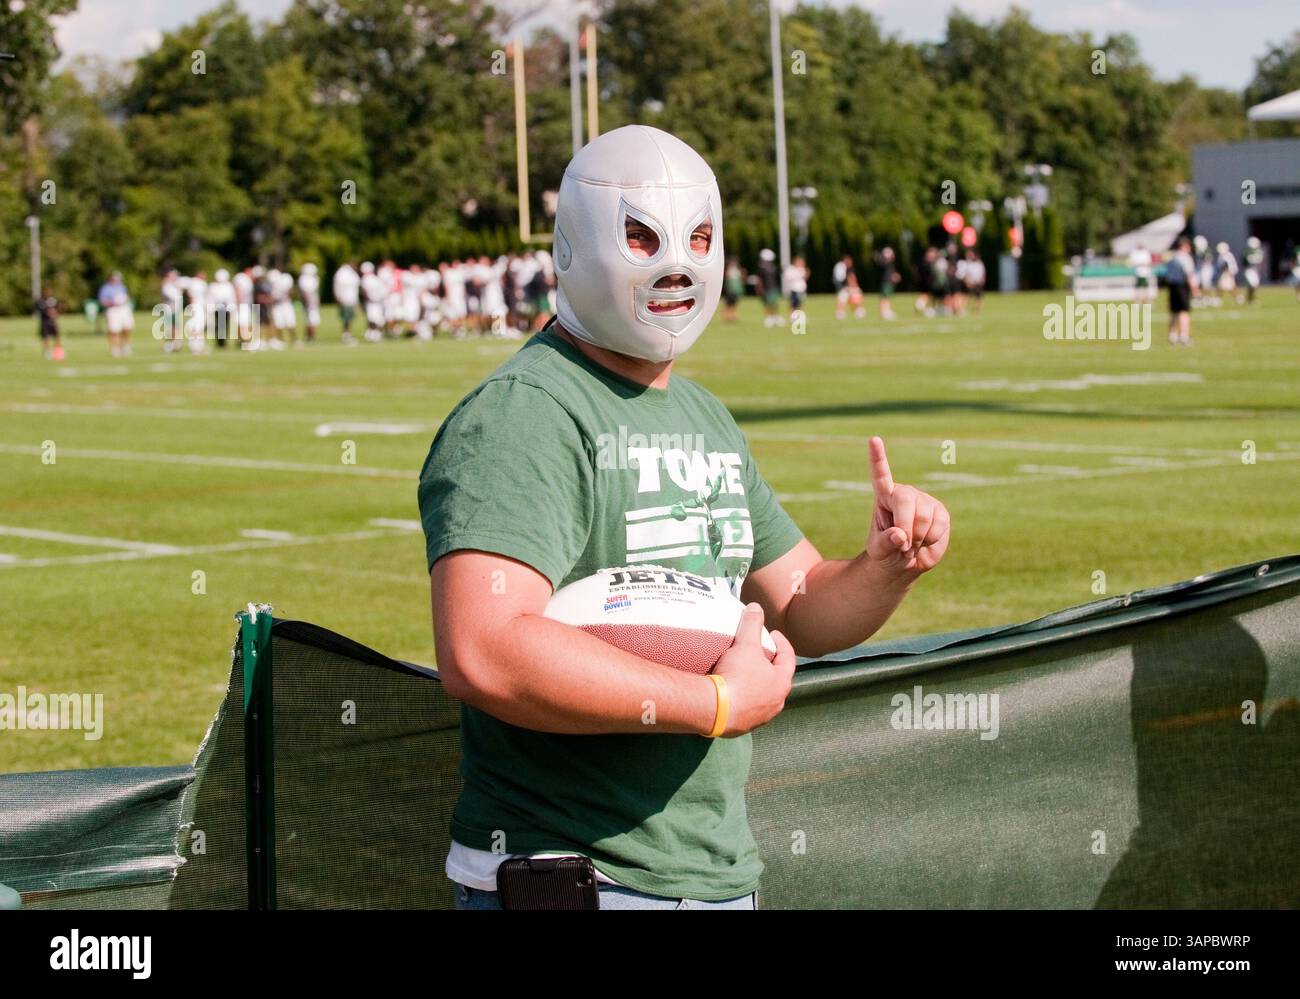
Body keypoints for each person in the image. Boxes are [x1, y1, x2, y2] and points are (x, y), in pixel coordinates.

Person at [418, 125, 950, 911]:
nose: (678, 263)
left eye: (699, 237)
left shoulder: (703, 414)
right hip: (575, 877)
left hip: (712, 875)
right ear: (572, 243)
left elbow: (800, 603)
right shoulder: (524, 414)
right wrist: (714, 704)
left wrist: (885, 565)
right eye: (641, 236)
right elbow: (483, 649)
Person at [1165, 236, 1197, 346]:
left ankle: (1172, 335)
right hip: (1182, 286)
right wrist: (1194, 289)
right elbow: (1189, 274)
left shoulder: (1172, 257)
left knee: (1174, 312)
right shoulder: (1185, 258)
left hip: (1172, 286)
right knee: (1184, 311)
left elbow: (1167, 274)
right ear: (1184, 246)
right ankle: (1184, 336)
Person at [98, 272, 133, 357]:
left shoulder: (122, 287)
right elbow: (102, 301)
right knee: (114, 330)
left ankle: (125, 345)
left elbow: (127, 296)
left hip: (123, 308)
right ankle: (115, 348)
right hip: (112, 309)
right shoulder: (105, 288)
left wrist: (125, 299)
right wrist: (112, 302)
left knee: (128, 327)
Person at [332, 261, 360, 344]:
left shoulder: (350, 273)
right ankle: (345, 334)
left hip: (351, 299)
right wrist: (339, 298)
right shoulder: (342, 273)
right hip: (345, 299)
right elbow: (338, 286)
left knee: (349, 318)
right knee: (346, 318)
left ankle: (347, 334)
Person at [209, 268, 236, 348]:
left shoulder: (228, 286)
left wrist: (232, 307)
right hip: (217, 308)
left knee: (225, 325)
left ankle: (223, 342)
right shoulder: (213, 286)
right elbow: (211, 298)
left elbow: (231, 298)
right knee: (218, 325)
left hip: (226, 309)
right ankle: (219, 342)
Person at [757, 248, 782, 326]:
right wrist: (760, 288)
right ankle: (769, 317)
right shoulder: (765, 268)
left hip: (772, 288)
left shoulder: (770, 267)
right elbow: (760, 279)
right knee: (768, 304)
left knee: (774, 303)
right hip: (768, 288)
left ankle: (775, 317)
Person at [36, 286, 63, 361]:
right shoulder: (41, 301)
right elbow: (42, 311)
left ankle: (57, 351)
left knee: (57, 336)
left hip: (52, 322)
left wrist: (56, 313)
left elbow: (56, 309)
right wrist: (50, 313)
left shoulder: (53, 300)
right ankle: (46, 351)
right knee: (45, 337)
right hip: (44, 322)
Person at [298, 263, 321, 343]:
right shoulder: (304, 279)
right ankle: (311, 337)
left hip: (312, 303)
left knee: (311, 320)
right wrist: (310, 302)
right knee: (311, 320)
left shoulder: (312, 279)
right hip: (310, 304)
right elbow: (306, 293)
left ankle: (310, 337)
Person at [876, 247, 899, 319]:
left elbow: (891, 272)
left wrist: (895, 276)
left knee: (888, 297)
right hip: (886, 282)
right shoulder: (884, 263)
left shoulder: (890, 263)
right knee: (884, 297)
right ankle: (883, 312)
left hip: (889, 282)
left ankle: (888, 310)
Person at [961, 249, 986, 314]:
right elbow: (964, 274)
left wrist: (983, 280)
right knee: (967, 296)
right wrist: (967, 282)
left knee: (979, 297)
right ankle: (963, 308)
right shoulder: (967, 263)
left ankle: (977, 310)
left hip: (978, 282)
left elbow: (983, 272)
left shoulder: (979, 263)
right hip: (970, 283)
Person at [1242, 237, 1264, 305]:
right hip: (1250, 269)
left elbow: (1260, 261)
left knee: (1254, 284)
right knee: (1253, 284)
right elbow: (1244, 261)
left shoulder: (1259, 251)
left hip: (1255, 269)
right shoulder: (1247, 252)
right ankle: (1250, 299)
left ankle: (1249, 298)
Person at [722, 256, 744, 322]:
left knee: (734, 304)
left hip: (735, 290)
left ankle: (732, 316)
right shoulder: (729, 270)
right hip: (730, 290)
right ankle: (726, 316)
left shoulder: (737, 270)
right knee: (728, 304)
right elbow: (727, 277)